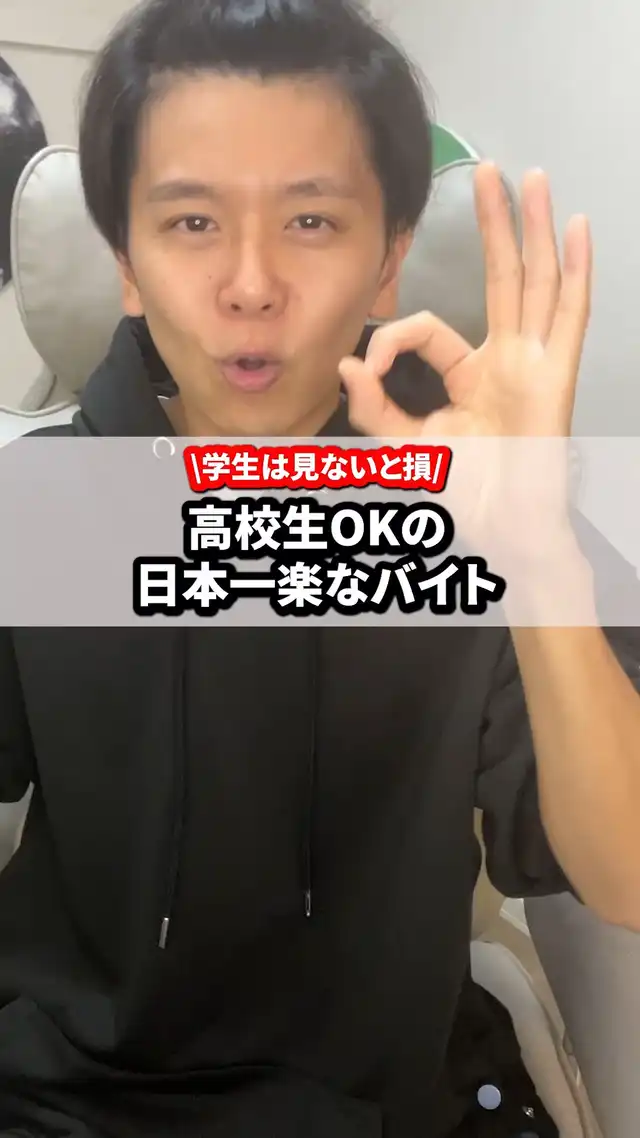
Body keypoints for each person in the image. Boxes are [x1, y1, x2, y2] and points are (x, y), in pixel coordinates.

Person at [1, 0, 639, 1135]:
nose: (250, 283)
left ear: (389, 260)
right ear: (127, 264)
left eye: (309, 220)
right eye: (192, 222)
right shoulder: (39, 510)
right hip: (59, 1097)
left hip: (373, 1107)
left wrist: (537, 556)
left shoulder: (482, 507)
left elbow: (626, 875)